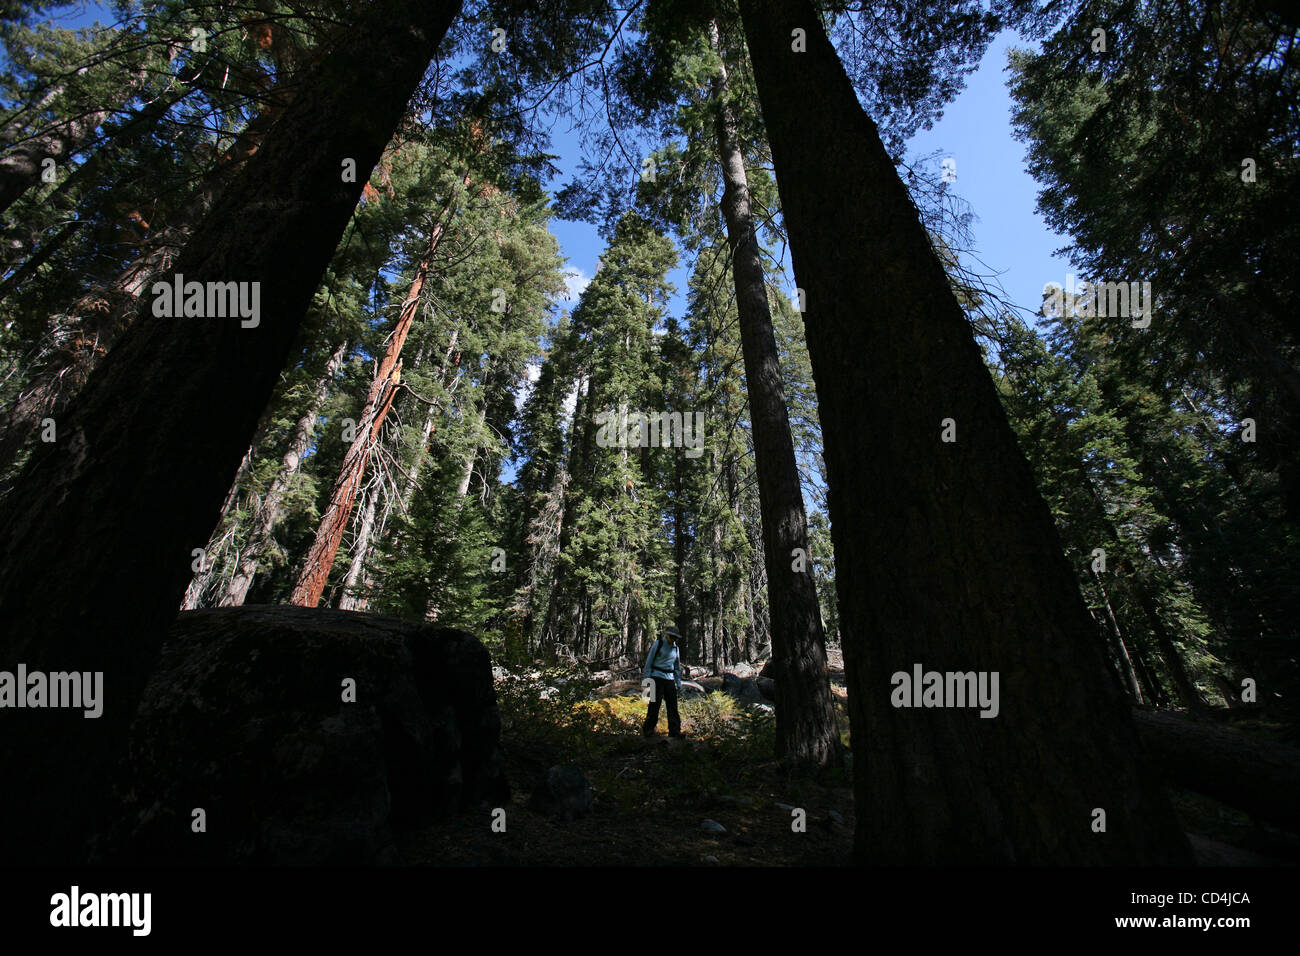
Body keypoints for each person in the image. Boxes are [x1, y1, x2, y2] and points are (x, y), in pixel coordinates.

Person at [642, 624, 684, 738]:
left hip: (669, 679)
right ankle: (648, 730)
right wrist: (647, 680)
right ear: (667, 635)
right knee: (654, 705)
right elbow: (649, 662)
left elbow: (676, 667)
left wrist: (678, 682)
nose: (673, 639)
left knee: (672, 706)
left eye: (675, 638)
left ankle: (675, 732)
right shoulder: (658, 644)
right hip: (656, 678)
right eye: (672, 637)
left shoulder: (676, 648)